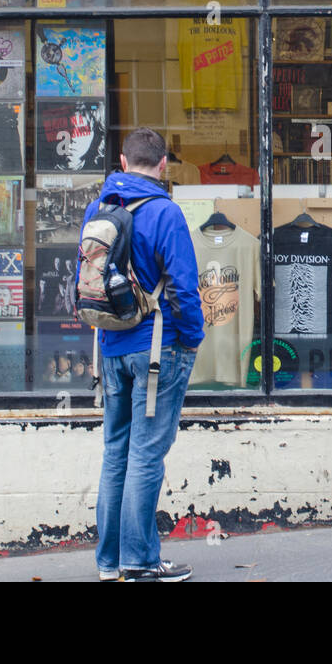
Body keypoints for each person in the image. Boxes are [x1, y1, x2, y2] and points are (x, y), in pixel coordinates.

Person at [82, 127, 206, 583]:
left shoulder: (99, 209)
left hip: (110, 347)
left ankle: (109, 561)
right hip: (157, 347)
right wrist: (192, 339)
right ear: (163, 165)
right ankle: (139, 562)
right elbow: (184, 287)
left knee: (116, 452)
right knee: (147, 455)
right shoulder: (165, 212)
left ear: (121, 158)